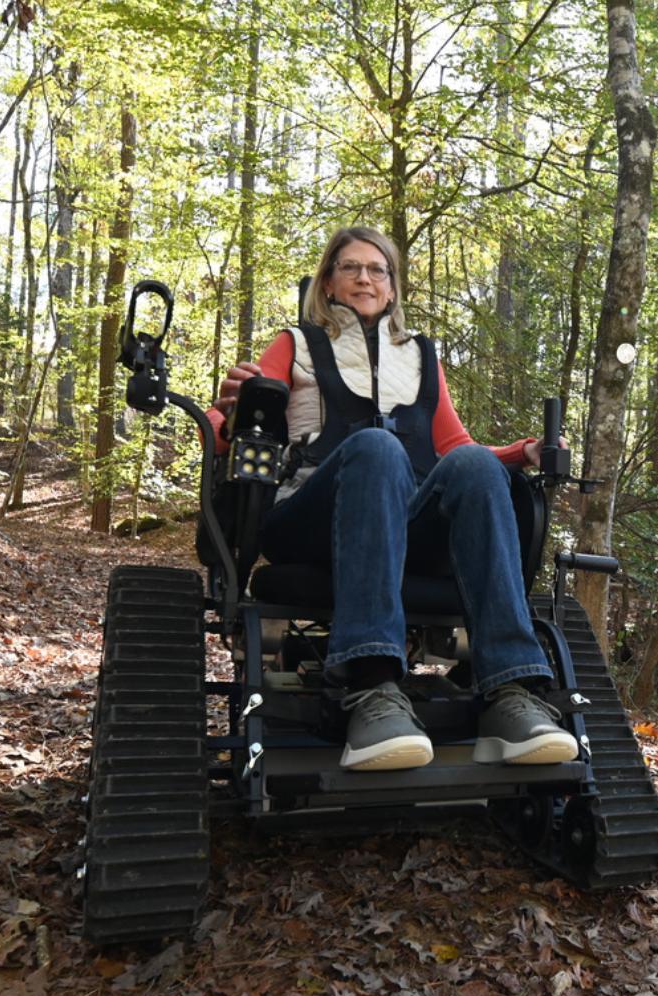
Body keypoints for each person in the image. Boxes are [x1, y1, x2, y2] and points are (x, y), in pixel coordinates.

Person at [206, 225, 577, 772]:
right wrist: (228, 411)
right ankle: (372, 687)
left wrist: (524, 450)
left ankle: (510, 691)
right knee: (376, 448)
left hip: (406, 520)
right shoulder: (296, 343)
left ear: (392, 285)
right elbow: (226, 427)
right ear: (328, 282)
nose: (364, 277)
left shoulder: (421, 356)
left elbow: (456, 445)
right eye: (350, 267)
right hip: (311, 515)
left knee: (474, 466)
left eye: (376, 269)